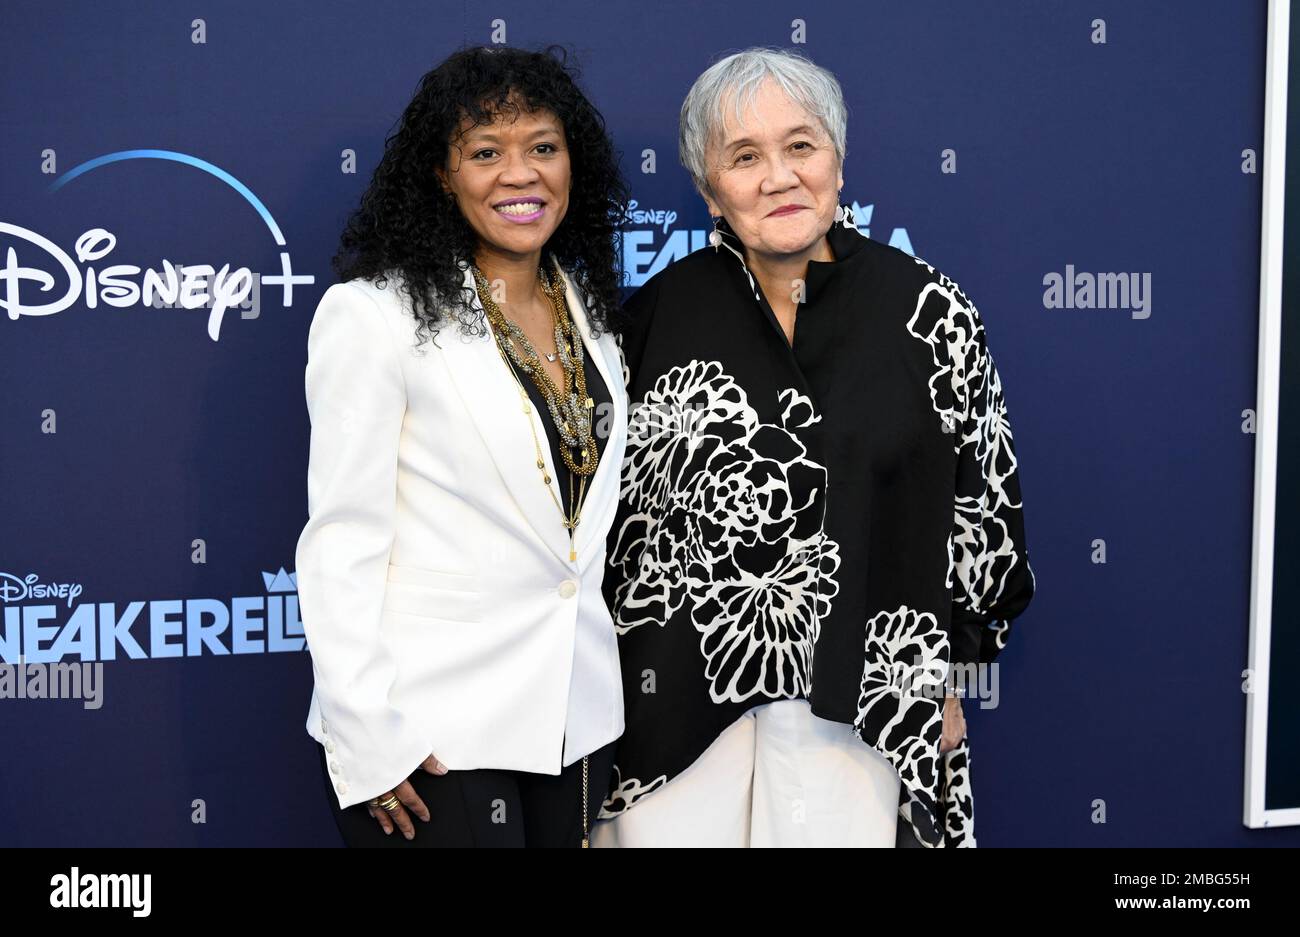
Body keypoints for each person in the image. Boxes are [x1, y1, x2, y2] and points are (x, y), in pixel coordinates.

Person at [591, 47, 1035, 848]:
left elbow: (986, 520)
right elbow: (601, 535)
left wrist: (956, 679)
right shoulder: (652, 321)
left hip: (868, 709)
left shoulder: (930, 312)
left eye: (801, 146)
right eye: (745, 156)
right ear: (707, 190)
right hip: (677, 713)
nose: (779, 177)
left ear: (838, 158)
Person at [295, 44, 632, 847]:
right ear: (443, 175)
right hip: (428, 734)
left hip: (576, 723)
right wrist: (368, 734)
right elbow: (342, 540)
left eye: (543, 148)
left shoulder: (589, 310)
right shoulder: (373, 315)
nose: (521, 175)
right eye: (487, 152)